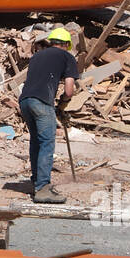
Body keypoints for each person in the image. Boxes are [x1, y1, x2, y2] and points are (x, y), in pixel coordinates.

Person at [19, 27, 79, 203]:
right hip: (42, 102)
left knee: (36, 141)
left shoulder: (37, 56)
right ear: (67, 44)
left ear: (51, 42)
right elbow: (69, 90)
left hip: (25, 101)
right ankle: (43, 188)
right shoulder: (67, 57)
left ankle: (37, 182)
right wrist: (63, 103)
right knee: (47, 142)